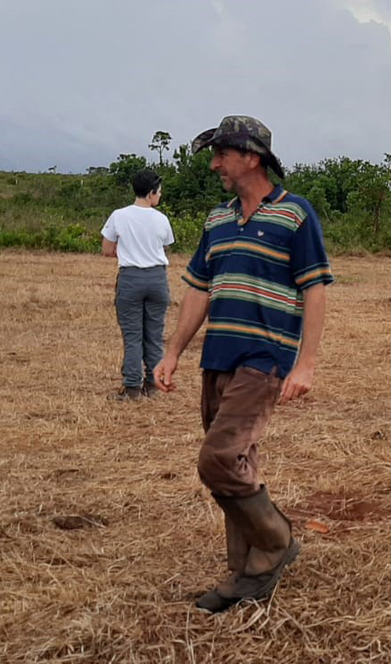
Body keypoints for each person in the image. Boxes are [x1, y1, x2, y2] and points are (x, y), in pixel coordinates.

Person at [153, 116, 333, 613]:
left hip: (265, 356)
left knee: (217, 458)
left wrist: (306, 363)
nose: (214, 165)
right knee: (235, 462)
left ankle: (276, 541)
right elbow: (198, 289)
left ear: (251, 157)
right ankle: (247, 572)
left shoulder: (295, 214)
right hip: (219, 357)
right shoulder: (217, 219)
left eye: (222, 155)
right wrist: (172, 351)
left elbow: (314, 287)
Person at [101, 168, 174, 400]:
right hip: (157, 280)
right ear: (151, 192)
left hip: (131, 279)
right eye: (159, 192)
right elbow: (165, 247)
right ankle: (153, 385)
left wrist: (127, 253)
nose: (159, 196)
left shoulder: (119, 216)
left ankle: (132, 388)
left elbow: (107, 250)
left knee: (133, 336)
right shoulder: (161, 219)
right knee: (154, 335)